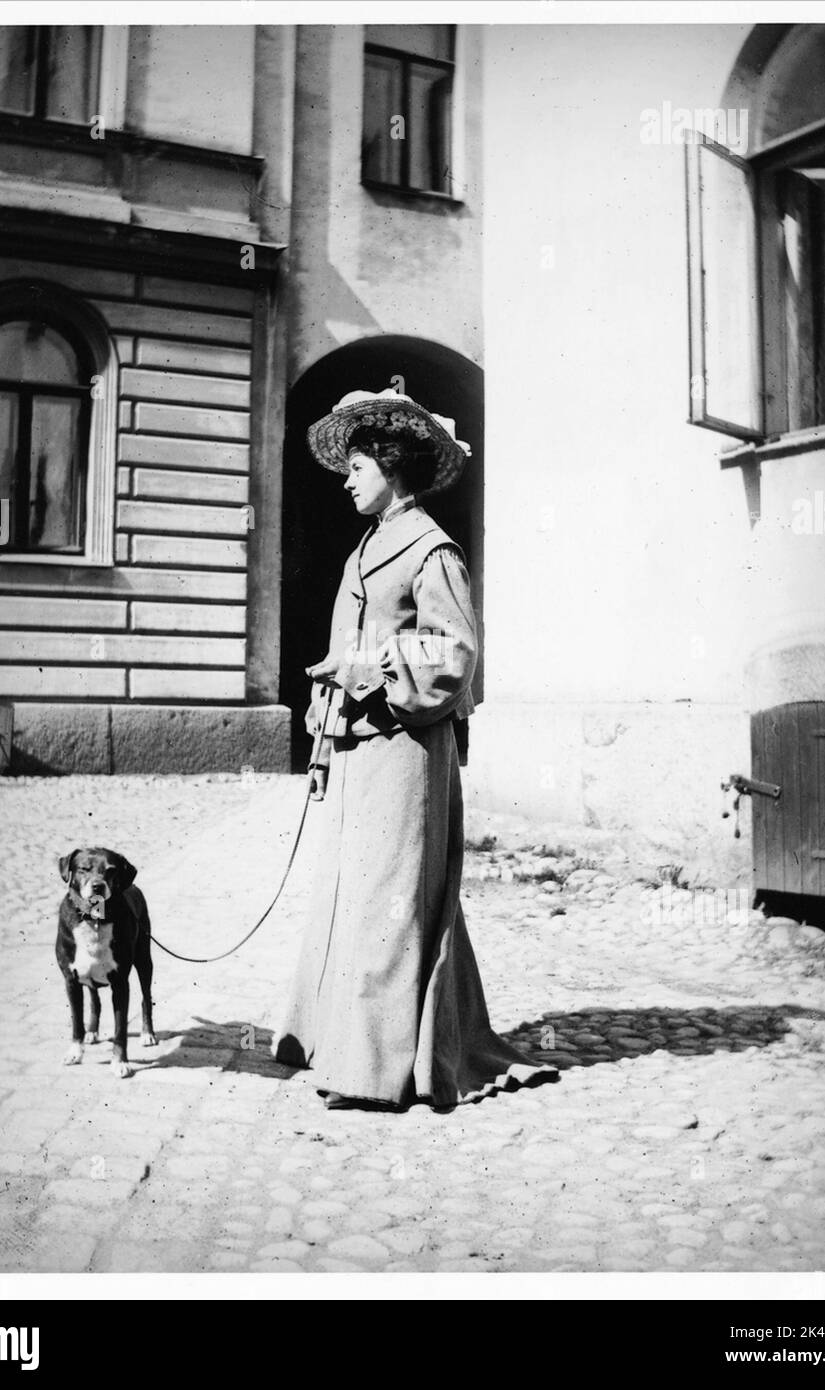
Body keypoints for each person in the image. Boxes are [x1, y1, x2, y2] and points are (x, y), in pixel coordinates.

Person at [272, 389, 558, 1111]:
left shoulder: (432, 550)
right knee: (352, 892)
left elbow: (455, 651)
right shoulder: (368, 545)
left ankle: (378, 1071)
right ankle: (342, 1043)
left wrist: (368, 668)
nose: (347, 478)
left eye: (359, 465)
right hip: (359, 747)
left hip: (406, 751)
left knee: (389, 899)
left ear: (392, 469)